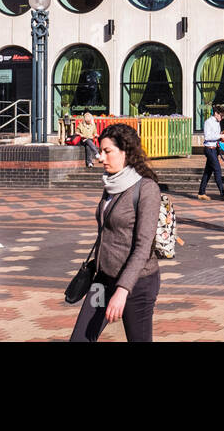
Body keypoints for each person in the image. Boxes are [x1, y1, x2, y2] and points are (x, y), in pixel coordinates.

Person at [69, 124, 162, 342]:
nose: (101, 157)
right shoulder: (111, 184)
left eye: (107, 151)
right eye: (100, 151)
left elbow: (143, 246)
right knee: (80, 339)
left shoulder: (146, 189)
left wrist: (122, 291)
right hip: (103, 280)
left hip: (136, 283)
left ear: (126, 152)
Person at [197, 106, 224, 201]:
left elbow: (215, 135)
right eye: (221, 116)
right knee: (217, 170)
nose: (222, 118)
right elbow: (208, 136)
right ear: (216, 113)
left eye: (223, 116)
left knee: (208, 172)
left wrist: (221, 136)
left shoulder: (217, 122)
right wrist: (220, 135)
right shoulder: (208, 122)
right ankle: (222, 193)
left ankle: (201, 192)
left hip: (214, 149)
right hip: (209, 149)